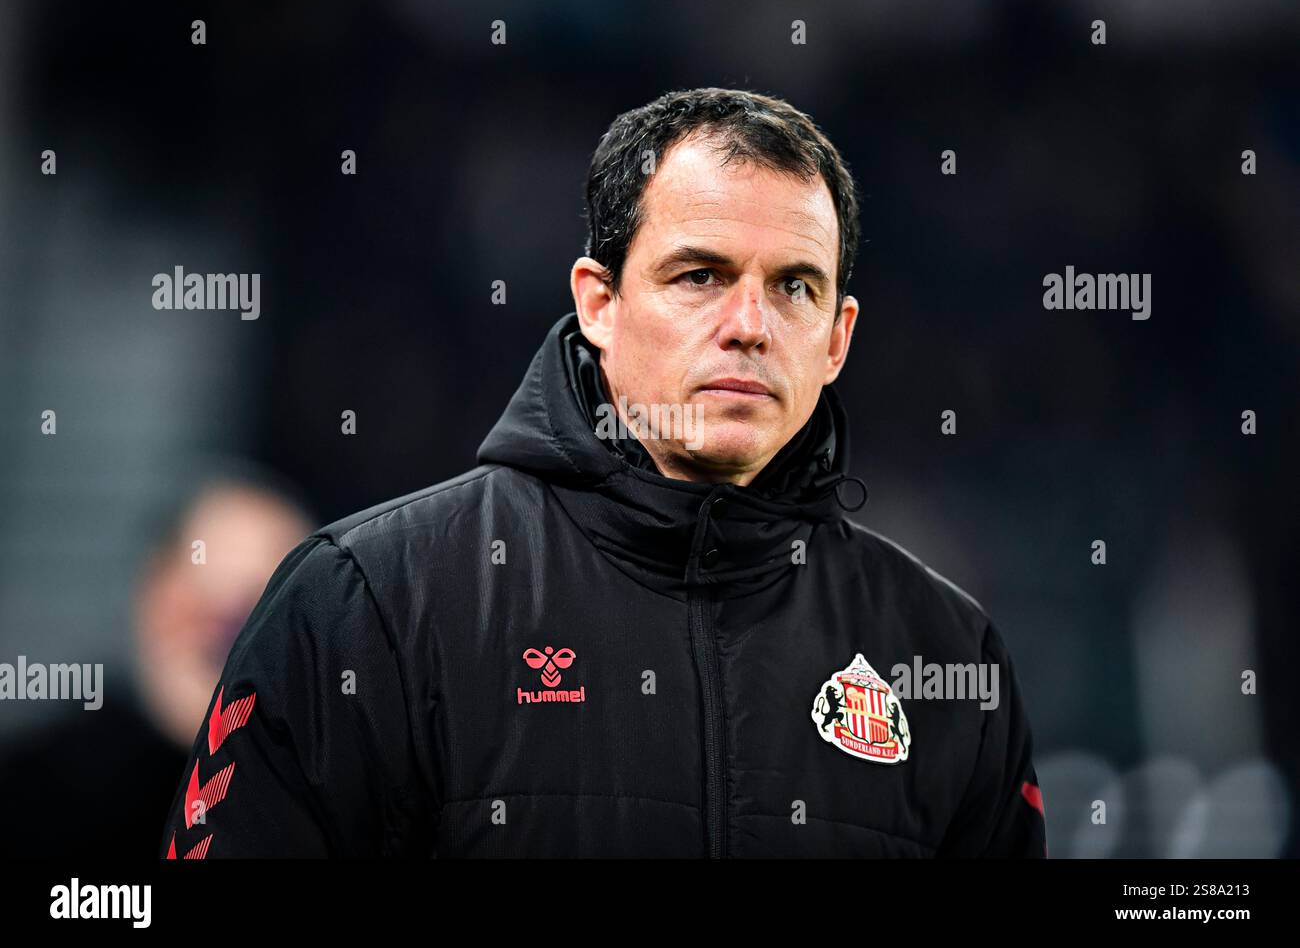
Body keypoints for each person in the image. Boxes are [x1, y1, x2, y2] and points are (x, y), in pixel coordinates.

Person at [158, 87, 1047, 858]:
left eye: (795, 287)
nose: (750, 323)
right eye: (700, 275)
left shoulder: (943, 654)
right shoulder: (366, 604)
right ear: (599, 304)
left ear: (838, 340)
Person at [0, 468, 312, 858]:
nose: (227, 636)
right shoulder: (40, 784)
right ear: (155, 589)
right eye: (204, 599)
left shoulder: (318, 799)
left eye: (257, 606)